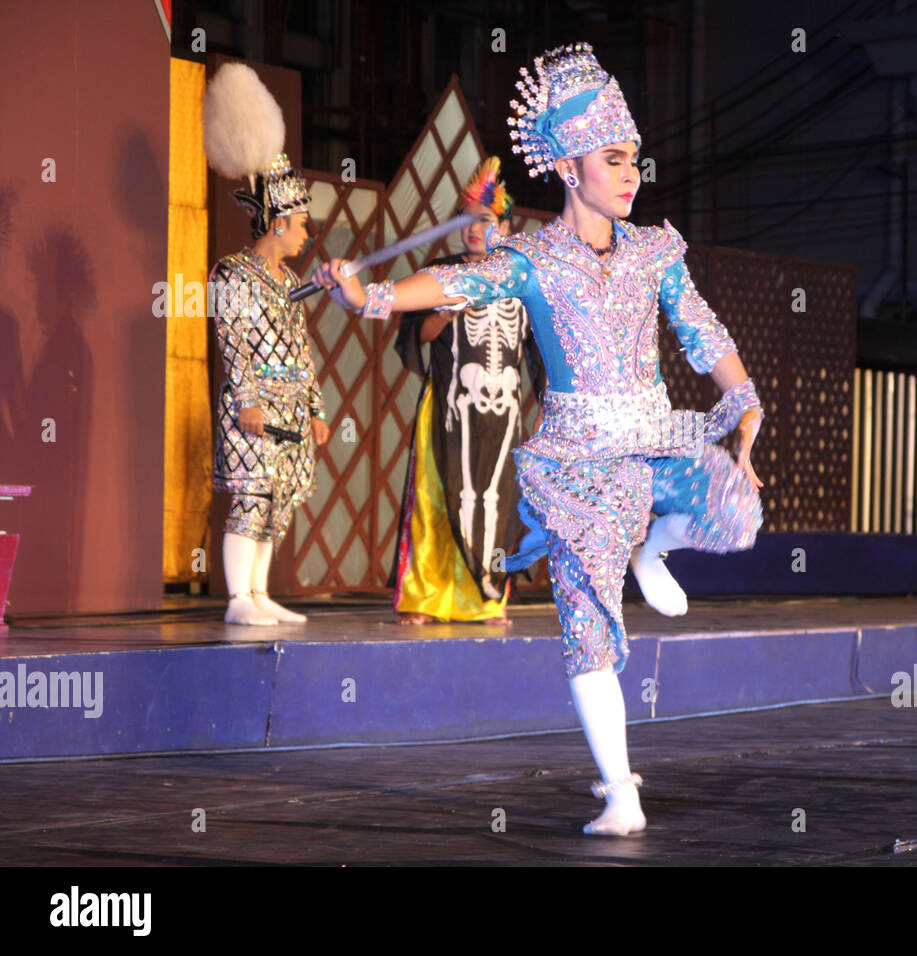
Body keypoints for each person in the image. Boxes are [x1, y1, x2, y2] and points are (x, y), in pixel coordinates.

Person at [312, 43, 763, 835]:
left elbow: (701, 328)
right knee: (586, 622)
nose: (631, 174)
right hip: (577, 464)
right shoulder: (533, 259)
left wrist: (743, 395)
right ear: (568, 165)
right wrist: (368, 294)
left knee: (738, 514)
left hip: (653, 442)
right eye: (613, 159)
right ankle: (621, 790)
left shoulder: (655, 250)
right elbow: (454, 282)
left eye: (635, 160)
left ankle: (652, 546)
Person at [391, 157, 546, 625]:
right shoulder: (441, 273)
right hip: (449, 408)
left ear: (504, 225)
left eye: (485, 221)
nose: (475, 230)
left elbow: (538, 351)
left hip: (502, 413)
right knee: (439, 501)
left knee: (496, 504)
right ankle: (425, 598)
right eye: (467, 221)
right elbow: (414, 336)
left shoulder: (521, 281)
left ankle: (486, 599)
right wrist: (449, 309)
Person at [203, 63, 329, 628]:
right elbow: (233, 343)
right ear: (277, 223)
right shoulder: (231, 274)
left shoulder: (286, 285)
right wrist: (248, 401)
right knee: (251, 498)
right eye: (301, 223)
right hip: (251, 408)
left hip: (288, 408)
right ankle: (237, 600)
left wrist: (315, 410)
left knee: (276, 504)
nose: (306, 234)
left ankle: (257, 592)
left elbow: (301, 352)